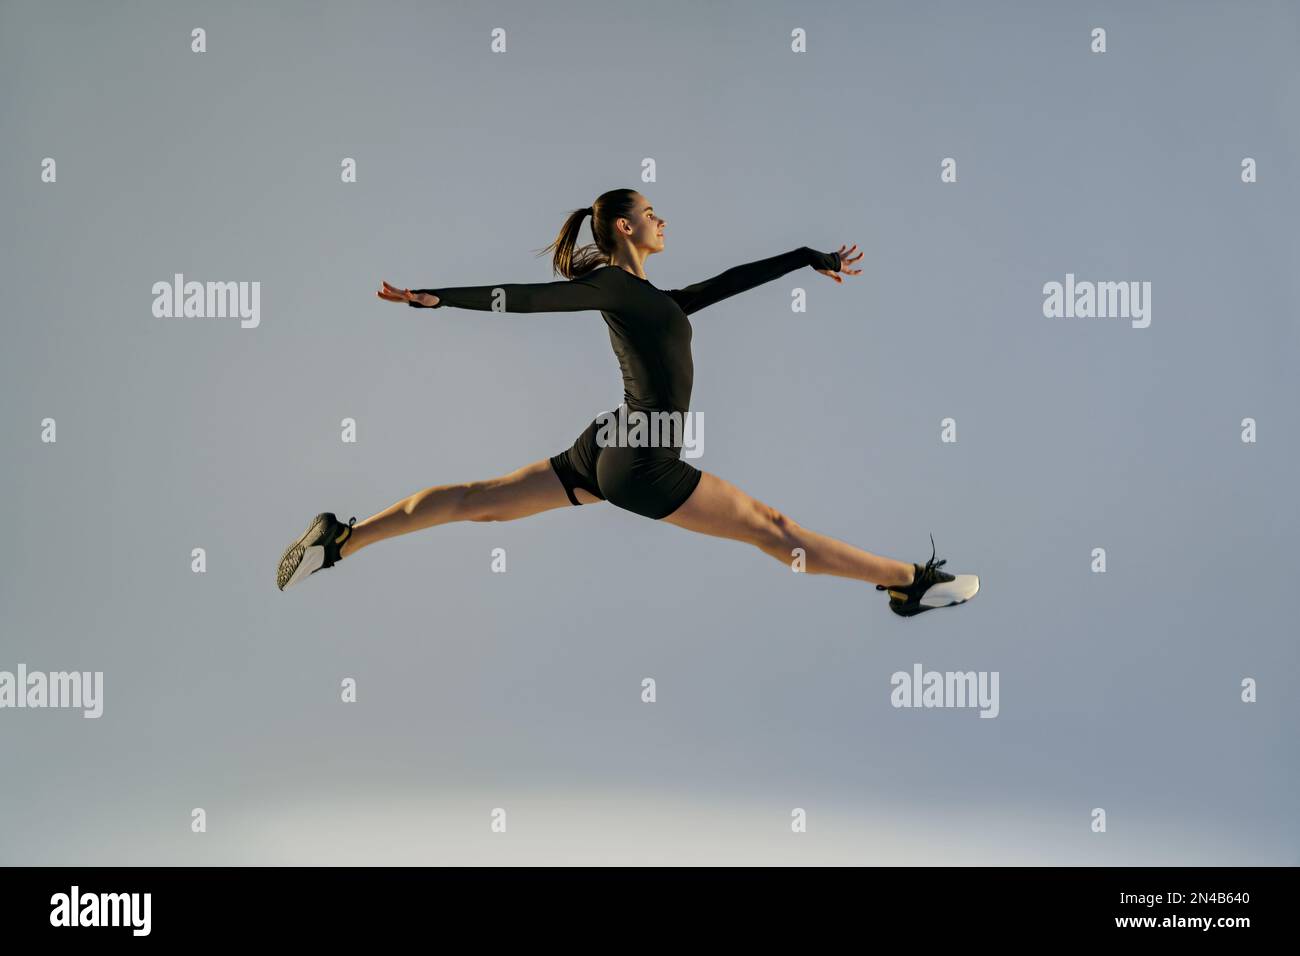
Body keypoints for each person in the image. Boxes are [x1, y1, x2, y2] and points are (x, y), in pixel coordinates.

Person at [276, 188, 978, 618]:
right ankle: (909, 583)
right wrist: (440, 297)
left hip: (608, 442)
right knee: (773, 528)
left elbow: (728, 282)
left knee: (478, 499)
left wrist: (802, 256)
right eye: (650, 213)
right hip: (641, 457)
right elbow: (528, 300)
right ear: (621, 227)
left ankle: (344, 538)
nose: (662, 220)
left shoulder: (653, 297)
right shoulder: (613, 285)